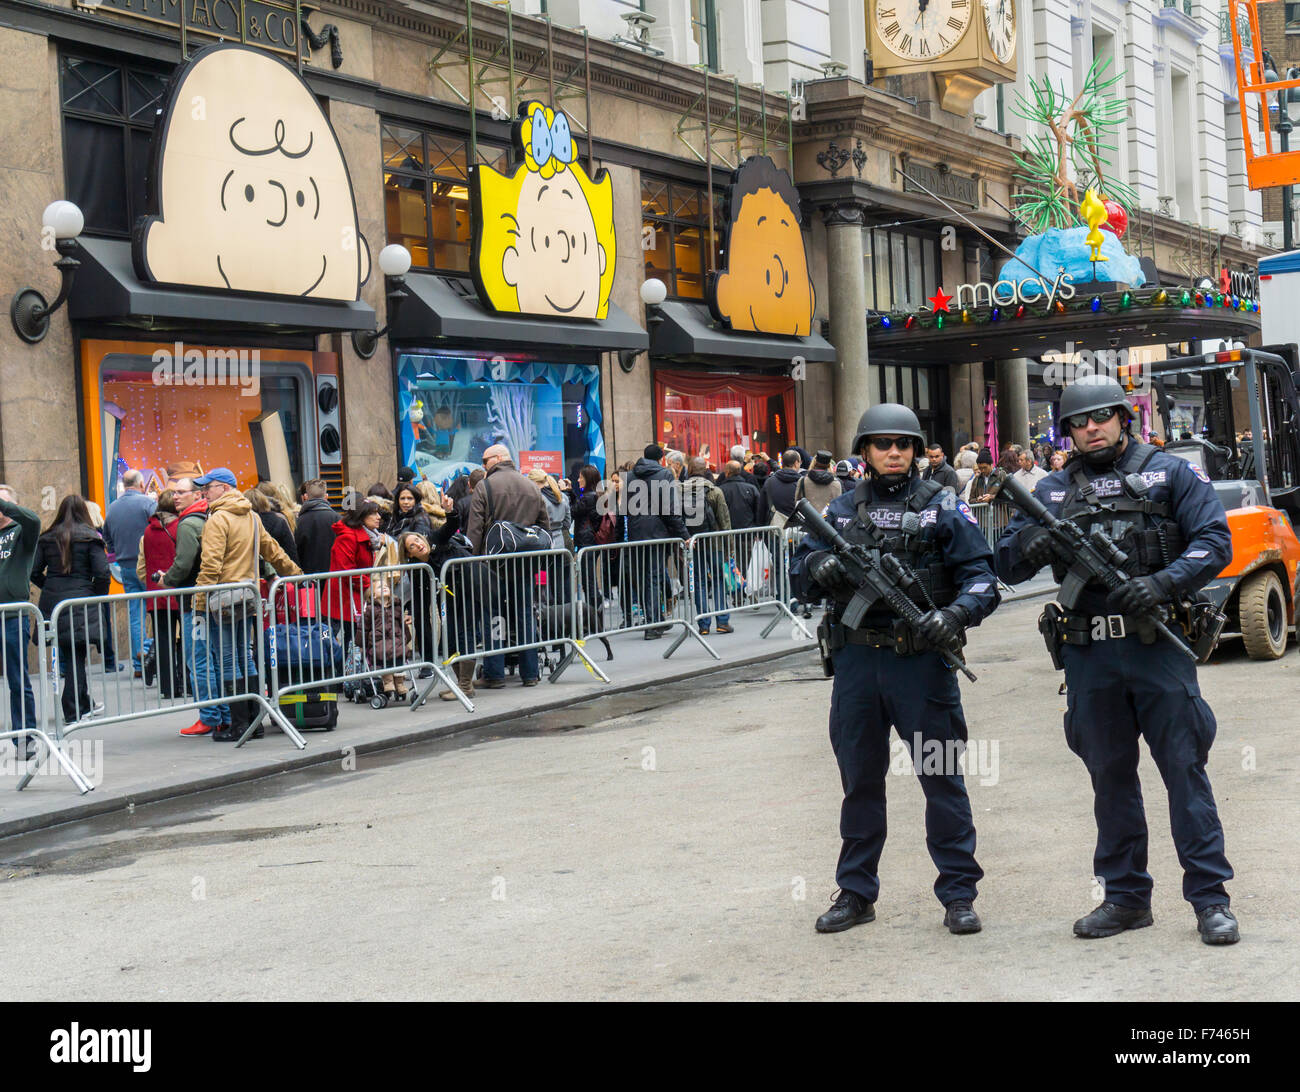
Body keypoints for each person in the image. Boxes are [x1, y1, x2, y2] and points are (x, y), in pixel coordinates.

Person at [995, 376, 1239, 945]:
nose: (1092, 428)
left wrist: (1160, 584)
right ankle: (1126, 898)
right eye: (1079, 422)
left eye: (1102, 417)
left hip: (1157, 647)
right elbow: (1003, 565)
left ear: (1123, 417)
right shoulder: (1051, 491)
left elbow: (1214, 542)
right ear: (1068, 432)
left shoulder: (1171, 472)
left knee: (1185, 773)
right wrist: (1026, 548)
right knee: (1110, 779)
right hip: (1089, 655)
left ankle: (1210, 900)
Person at [791, 403, 1000, 936]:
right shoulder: (839, 511)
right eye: (882, 444)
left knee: (942, 780)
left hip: (922, 667)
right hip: (858, 664)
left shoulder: (944, 506)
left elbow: (983, 579)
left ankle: (958, 895)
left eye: (903, 445)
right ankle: (856, 893)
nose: (893, 453)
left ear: (914, 452)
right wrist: (820, 565)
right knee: (860, 782)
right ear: (864, 451)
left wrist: (952, 615)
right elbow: (801, 575)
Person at [192, 469, 301, 742]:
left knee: (230, 659)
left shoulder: (218, 519)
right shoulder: (251, 515)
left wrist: (199, 602)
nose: (205, 492)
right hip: (248, 595)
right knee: (247, 656)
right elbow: (272, 550)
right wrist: (298, 574)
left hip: (225, 597)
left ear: (225, 488)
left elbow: (211, 565)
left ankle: (239, 725)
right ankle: (255, 722)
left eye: (210, 487)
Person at [467, 444, 550, 687]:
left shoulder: (485, 486)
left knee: (494, 616)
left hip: (494, 563)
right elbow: (544, 527)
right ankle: (530, 673)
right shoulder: (531, 486)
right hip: (524, 563)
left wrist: (472, 559)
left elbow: (475, 529)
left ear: (499, 458)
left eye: (485, 460)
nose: (483, 465)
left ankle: (494, 673)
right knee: (525, 614)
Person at [31, 495, 111, 725]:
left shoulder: (47, 538)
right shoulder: (90, 538)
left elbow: (34, 571)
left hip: (53, 601)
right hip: (81, 599)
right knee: (77, 655)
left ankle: (83, 704)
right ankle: (74, 709)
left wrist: (50, 586)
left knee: (70, 654)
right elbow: (103, 573)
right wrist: (96, 595)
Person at [158, 478, 223, 737]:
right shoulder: (209, 518)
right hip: (211, 599)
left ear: (197, 496)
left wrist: (167, 580)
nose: (175, 496)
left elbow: (184, 564)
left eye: (181, 492)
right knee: (214, 657)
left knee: (198, 659)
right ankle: (221, 714)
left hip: (194, 602)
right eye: (174, 492)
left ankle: (209, 716)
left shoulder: (188, 524)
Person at [623, 444, 688, 640]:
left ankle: (656, 618)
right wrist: (683, 533)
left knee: (646, 578)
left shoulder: (631, 475)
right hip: (656, 532)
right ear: (661, 458)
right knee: (653, 577)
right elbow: (669, 508)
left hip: (637, 531)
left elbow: (626, 507)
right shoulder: (664, 475)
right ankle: (652, 624)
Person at [102, 470, 156, 677]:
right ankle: (155, 659)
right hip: (149, 565)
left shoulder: (113, 508)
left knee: (136, 613)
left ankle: (139, 664)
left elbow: (107, 538)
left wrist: (118, 552)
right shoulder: (148, 504)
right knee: (158, 611)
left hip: (126, 566)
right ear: (141, 484)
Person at [0, 485, 41, 757]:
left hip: (13, 616)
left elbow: (34, 520)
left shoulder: (21, 532)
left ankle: (24, 739)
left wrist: (4, 505)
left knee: (17, 679)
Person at [136, 489, 186, 700]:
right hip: (180, 590)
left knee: (163, 640)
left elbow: (143, 566)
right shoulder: (180, 528)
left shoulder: (148, 532)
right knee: (185, 638)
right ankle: (186, 681)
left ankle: (168, 686)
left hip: (156, 593)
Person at [681, 456, 733, 635]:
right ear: (706, 471)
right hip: (715, 543)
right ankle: (722, 622)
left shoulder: (680, 490)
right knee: (719, 580)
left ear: (689, 470)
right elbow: (725, 521)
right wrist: (730, 548)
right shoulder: (715, 491)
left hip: (693, 544)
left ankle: (704, 624)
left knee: (699, 582)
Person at [295, 479, 340, 575]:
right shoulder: (338, 519)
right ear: (326, 497)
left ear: (306, 497)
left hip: (308, 580)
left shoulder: (298, 522)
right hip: (335, 577)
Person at [247, 488, 300, 567]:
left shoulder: (245, 523)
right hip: (279, 570)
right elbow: (290, 550)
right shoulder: (279, 521)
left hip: (250, 572)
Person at [791, 450, 842, 518]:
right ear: (829, 465)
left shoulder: (803, 481)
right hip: (828, 525)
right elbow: (838, 508)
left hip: (808, 523)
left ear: (815, 462)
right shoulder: (836, 484)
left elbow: (797, 503)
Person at [761, 449, 804, 528]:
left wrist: (760, 532)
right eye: (800, 462)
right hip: (798, 530)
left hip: (774, 529)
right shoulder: (803, 482)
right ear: (796, 463)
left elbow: (762, 507)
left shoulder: (769, 481)